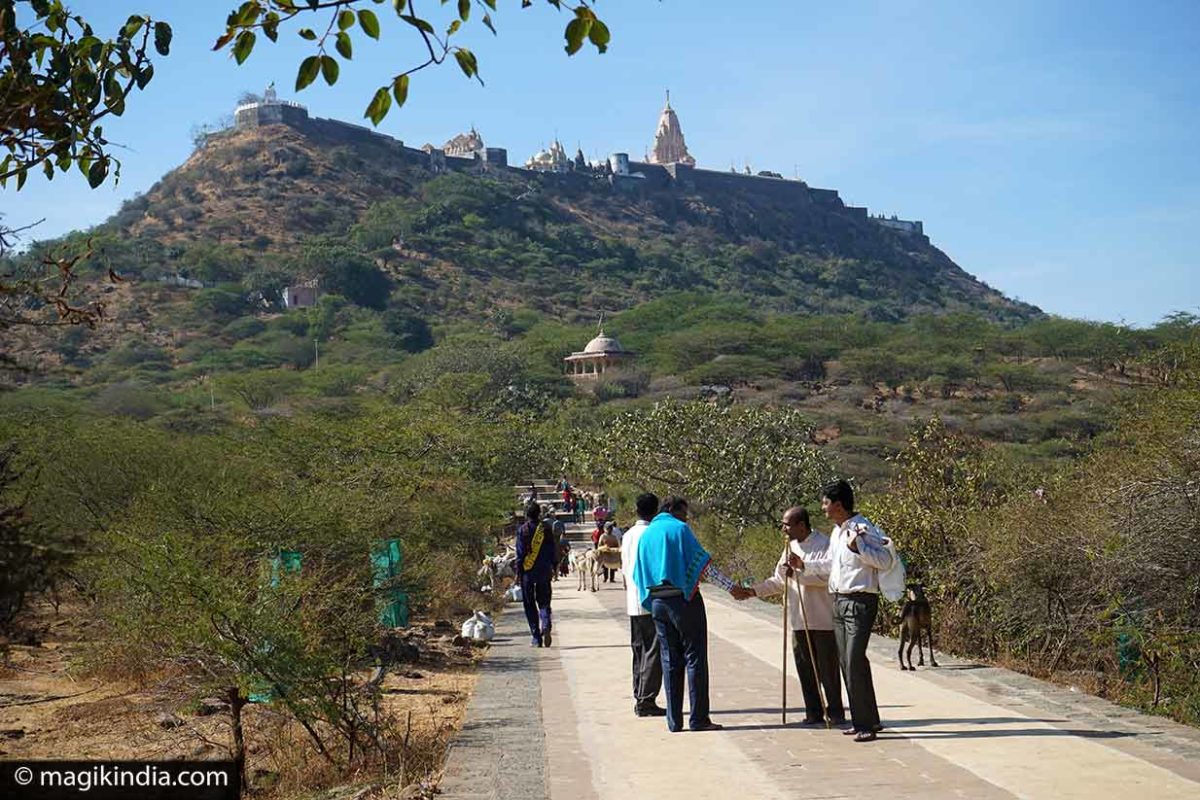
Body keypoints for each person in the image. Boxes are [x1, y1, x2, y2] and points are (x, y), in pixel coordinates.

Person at [632, 496, 751, 733]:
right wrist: (732, 589)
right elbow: (703, 565)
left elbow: (638, 574)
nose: (686, 519)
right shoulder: (680, 529)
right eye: (684, 513)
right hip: (684, 602)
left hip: (657, 603)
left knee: (669, 660)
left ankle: (674, 721)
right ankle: (698, 719)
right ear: (674, 510)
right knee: (695, 658)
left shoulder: (647, 535)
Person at [795, 480, 893, 742]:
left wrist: (859, 547)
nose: (823, 508)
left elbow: (885, 560)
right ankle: (868, 718)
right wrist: (803, 565)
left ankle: (864, 725)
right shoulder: (838, 532)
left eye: (826, 503)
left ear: (838, 504)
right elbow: (831, 567)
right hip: (838, 601)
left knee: (852, 659)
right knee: (850, 662)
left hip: (860, 601)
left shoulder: (862, 529)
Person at [737, 507, 845, 726]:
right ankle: (813, 712)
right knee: (804, 668)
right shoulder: (790, 547)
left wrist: (800, 570)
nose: (783, 529)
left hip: (822, 619)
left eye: (787, 524)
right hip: (798, 619)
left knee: (828, 671)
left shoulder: (824, 545)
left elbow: (830, 577)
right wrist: (753, 591)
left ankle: (835, 712)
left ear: (801, 525)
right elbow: (778, 581)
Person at [622, 493, 665, 717]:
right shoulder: (652, 534)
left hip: (633, 601)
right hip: (650, 599)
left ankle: (640, 694)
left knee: (639, 650)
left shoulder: (627, 535)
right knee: (652, 651)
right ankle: (646, 700)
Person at [515, 503, 557, 647]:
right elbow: (553, 549)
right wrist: (554, 566)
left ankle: (536, 637)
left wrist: (518, 572)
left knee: (529, 604)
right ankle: (545, 623)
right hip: (544, 570)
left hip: (528, 572)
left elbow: (520, 554)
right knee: (544, 600)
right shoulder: (546, 529)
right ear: (539, 513)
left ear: (526, 514)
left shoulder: (523, 530)